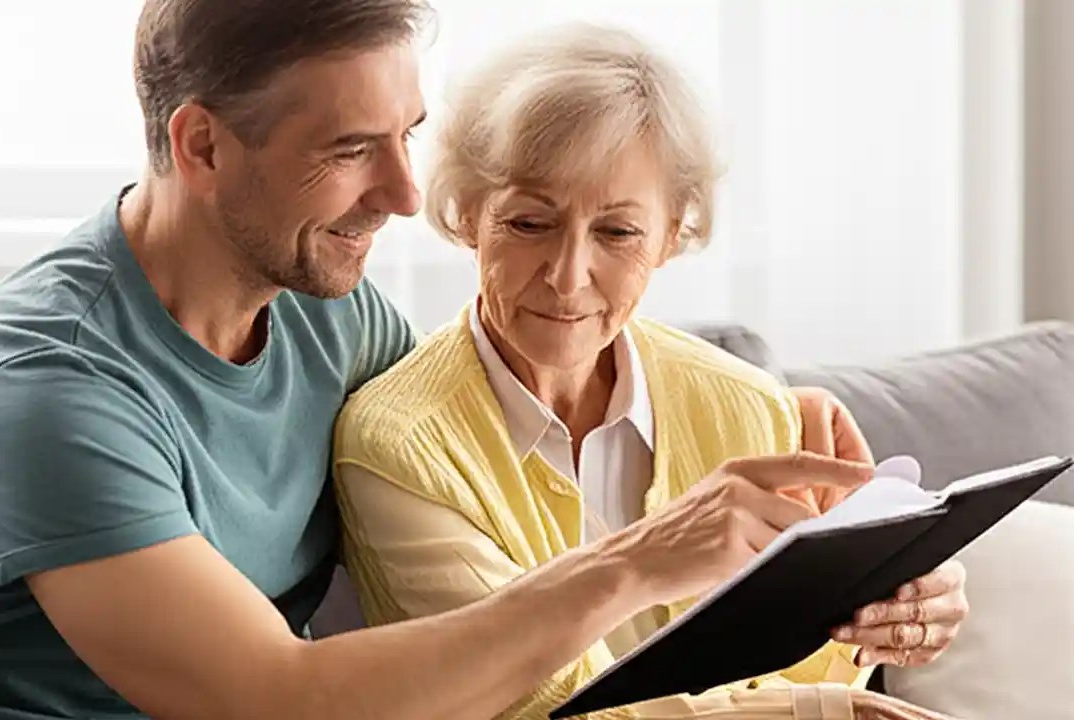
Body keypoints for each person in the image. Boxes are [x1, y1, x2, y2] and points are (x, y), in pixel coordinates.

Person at [0, 2, 959, 719]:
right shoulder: (44, 393)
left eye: (407, 136)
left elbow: (491, 373)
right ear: (201, 146)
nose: (402, 195)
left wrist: (796, 439)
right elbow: (273, 699)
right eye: (348, 151)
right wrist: (639, 557)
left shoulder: (323, 315)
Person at [333, 22, 968, 720]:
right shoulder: (398, 444)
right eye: (528, 224)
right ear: (466, 216)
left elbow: (808, 666)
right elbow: (534, 704)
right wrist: (820, 710)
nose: (568, 278)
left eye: (617, 232)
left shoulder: (750, 406)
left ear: (672, 234)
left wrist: (878, 608)